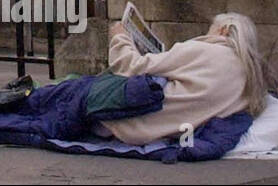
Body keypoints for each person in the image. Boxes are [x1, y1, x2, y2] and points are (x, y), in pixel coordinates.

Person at [98, 12, 269, 146]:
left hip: (138, 124)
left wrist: (119, 37)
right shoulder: (252, 72)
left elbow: (131, 66)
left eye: (210, 28)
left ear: (223, 30)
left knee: (80, 90)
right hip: (182, 129)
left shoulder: (203, 50)